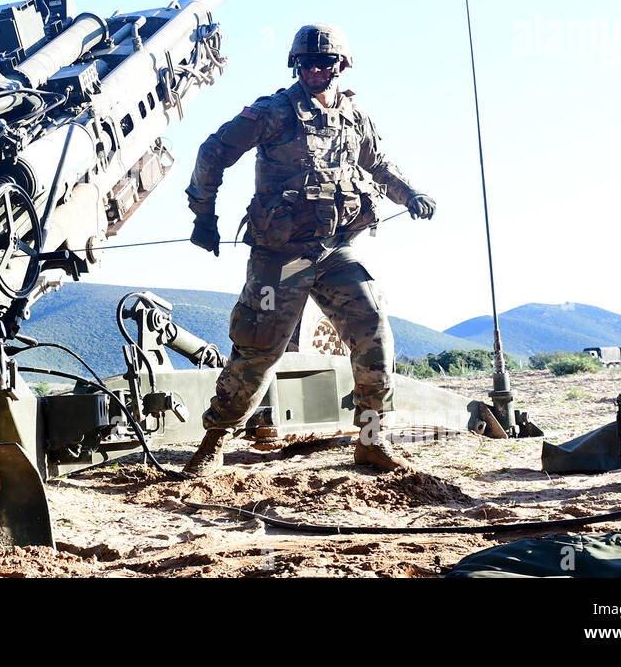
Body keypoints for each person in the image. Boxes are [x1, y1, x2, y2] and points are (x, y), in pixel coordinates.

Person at [182, 24, 435, 476]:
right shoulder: (272, 112)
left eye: (326, 63)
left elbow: (377, 163)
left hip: (335, 250)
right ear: (295, 66)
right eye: (307, 63)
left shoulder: (354, 116)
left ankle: (371, 441)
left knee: (374, 329)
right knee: (257, 349)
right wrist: (204, 216)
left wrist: (411, 194)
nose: (317, 70)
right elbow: (213, 151)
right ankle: (215, 441)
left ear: (342, 65)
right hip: (279, 256)